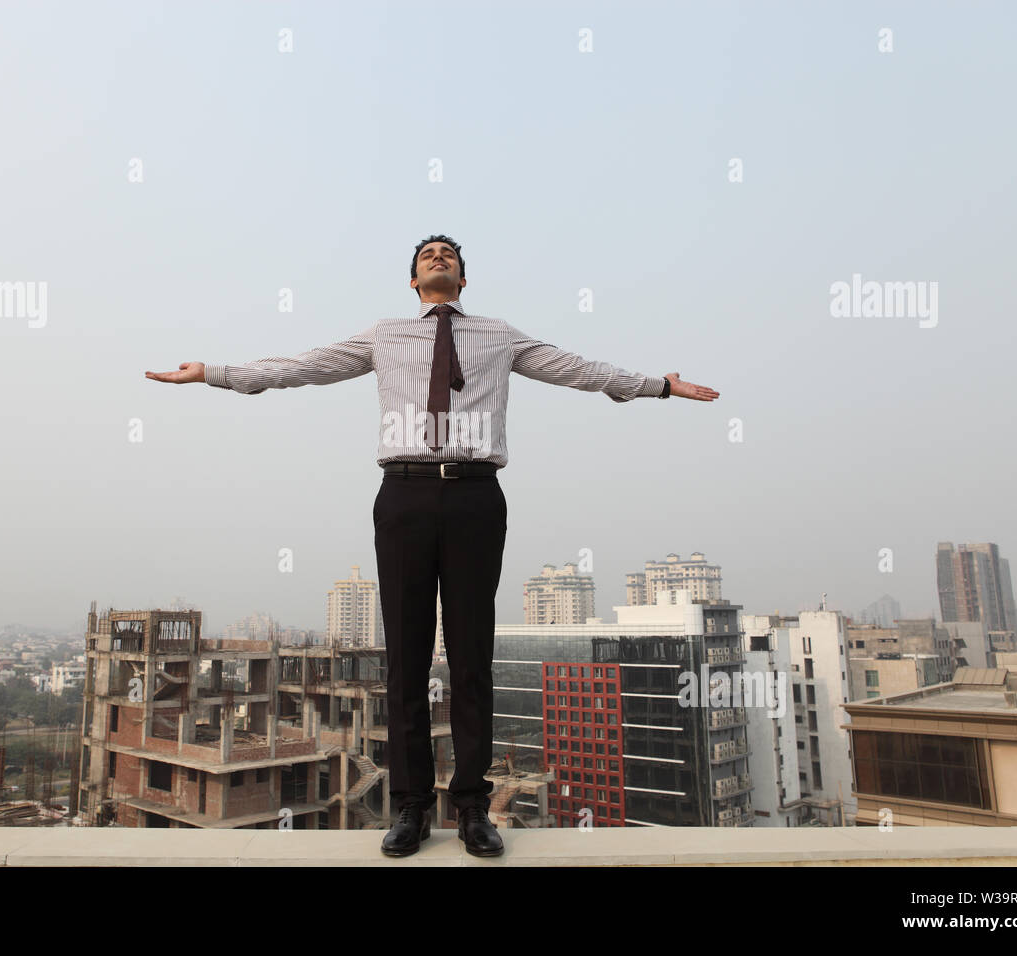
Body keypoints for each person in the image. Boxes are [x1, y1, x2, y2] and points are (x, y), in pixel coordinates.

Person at [146, 234, 719, 857]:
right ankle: (413, 809)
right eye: (427, 255)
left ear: (463, 281)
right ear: (413, 281)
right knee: (407, 662)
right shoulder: (384, 334)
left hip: (476, 496)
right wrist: (215, 374)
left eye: (449, 254)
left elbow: (579, 369)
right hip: (405, 496)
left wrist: (657, 386)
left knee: (472, 660)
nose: (438, 258)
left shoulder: (498, 333)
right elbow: (303, 366)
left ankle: (473, 808)